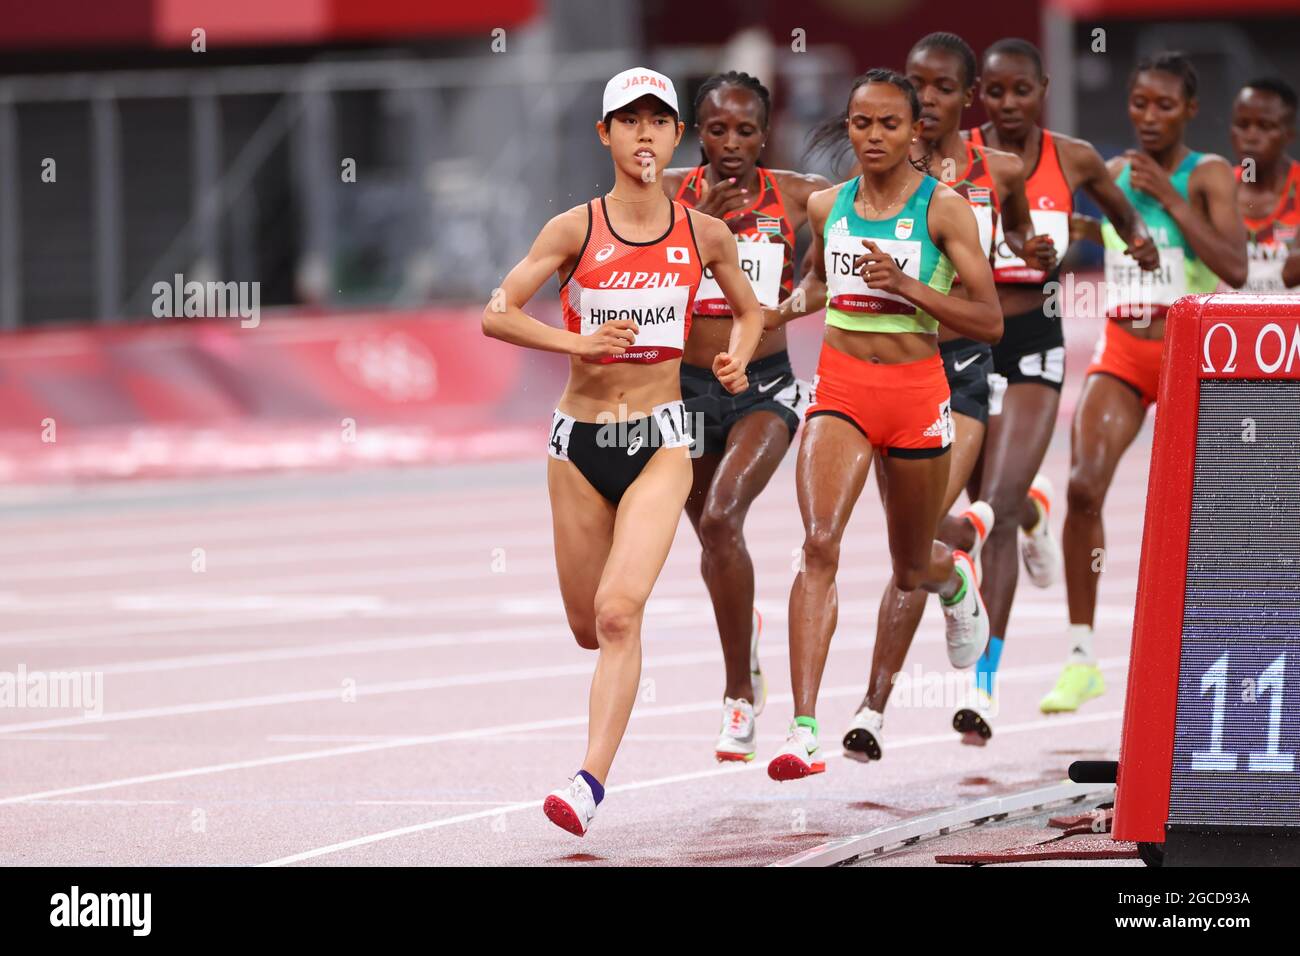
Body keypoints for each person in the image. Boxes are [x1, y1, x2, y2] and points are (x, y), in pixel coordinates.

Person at [483, 68, 762, 834]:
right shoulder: (574, 229)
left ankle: (587, 783)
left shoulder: (704, 233)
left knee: (616, 615)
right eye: (628, 121)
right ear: (605, 135)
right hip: (577, 445)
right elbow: (498, 313)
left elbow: (749, 312)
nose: (645, 134)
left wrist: (737, 356)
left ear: (677, 138)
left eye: (658, 121)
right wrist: (577, 338)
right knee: (585, 624)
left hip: (663, 439)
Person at [762, 68, 1002, 780]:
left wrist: (907, 286)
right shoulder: (826, 205)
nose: (873, 137)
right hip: (840, 386)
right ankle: (803, 729)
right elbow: (815, 281)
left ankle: (955, 578)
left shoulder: (945, 210)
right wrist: (769, 316)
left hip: (915, 390)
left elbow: (987, 319)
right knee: (819, 543)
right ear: (848, 126)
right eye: (862, 124)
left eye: (889, 125)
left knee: (910, 564)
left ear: (914, 131)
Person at [834, 33, 1042, 755]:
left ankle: (876, 706)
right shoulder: (878, 166)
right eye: (912, 88)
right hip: (886, 368)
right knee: (916, 544)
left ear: (964, 96)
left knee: (919, 539)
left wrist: (1034, 253)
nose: (923, 105)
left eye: (941, 89)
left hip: (962, 367)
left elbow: (1014, 250)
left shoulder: (998, 170)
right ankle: (991, 523)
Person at [1041, 52, 1248, 713]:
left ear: (1189, 110)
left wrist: (1171, 202)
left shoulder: (1207, 172)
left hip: (1192, 353)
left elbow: (1234, 267)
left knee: (1211, 515)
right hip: (1125, 348)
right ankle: (1080, 656)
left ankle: (1227, 645)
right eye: (1139, 104)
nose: (1149, 116)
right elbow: (1092, 234)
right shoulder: (1113, 174)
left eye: (1164, 105)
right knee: (1081, 486)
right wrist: (1064, 239)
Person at [960, 38, 1157, 730]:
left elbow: (1117, 209)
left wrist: (1127, 238)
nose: (1008, 105)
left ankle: (983, 682)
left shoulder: (1072, 157)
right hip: (970, 339)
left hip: (1038, 337)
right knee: (981, 505)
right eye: (994, 92)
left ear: (1043, 88)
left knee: (999, 507)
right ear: (977, 94)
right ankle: (1036, 513)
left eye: (1021, 90)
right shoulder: (963, 160)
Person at [661, 72, 830, 763]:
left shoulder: (798, 196)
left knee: (724, 517)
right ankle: (745, 639)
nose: (730, 144)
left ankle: (737, 701)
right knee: (711, 536)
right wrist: (689, 221)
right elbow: (617, 270)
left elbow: (831, 266)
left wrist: (793, 303)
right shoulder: (666, 192)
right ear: (696, 131)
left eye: (745, 131)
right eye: (716, 129)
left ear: (766, 134)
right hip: (684, 388)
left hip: (764, 387)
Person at [1228, 77, 1300, 291]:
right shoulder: (1218, 188)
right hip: (1224, 322)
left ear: (1289, 133)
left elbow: (1290, 275)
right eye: (1242, 125)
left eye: (1265, 126)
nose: (1250, 136)